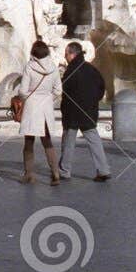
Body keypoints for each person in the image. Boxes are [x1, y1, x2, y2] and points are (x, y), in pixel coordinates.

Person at [59, 41, 110, 182]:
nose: (65, 56)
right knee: (94, 140)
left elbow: (64, 91)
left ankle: (65, 171)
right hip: (89, 111)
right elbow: (101, 88)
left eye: (66, 54)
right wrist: (93, 101)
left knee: (69, 141)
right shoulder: (91, 69)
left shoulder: (70, 71)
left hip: (72, 113)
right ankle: (103, 169)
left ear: (72, 54)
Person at [17, 38, 62, 185]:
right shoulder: (54, 68)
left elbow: (23, 91)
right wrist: (48, 97)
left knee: (29, 142)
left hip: (31, 107)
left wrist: (27, 97)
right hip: (46, 107)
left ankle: (29, 174)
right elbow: (58, 90)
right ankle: (55, 172)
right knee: (47, 142)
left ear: (34, 53)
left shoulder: (30, 67)